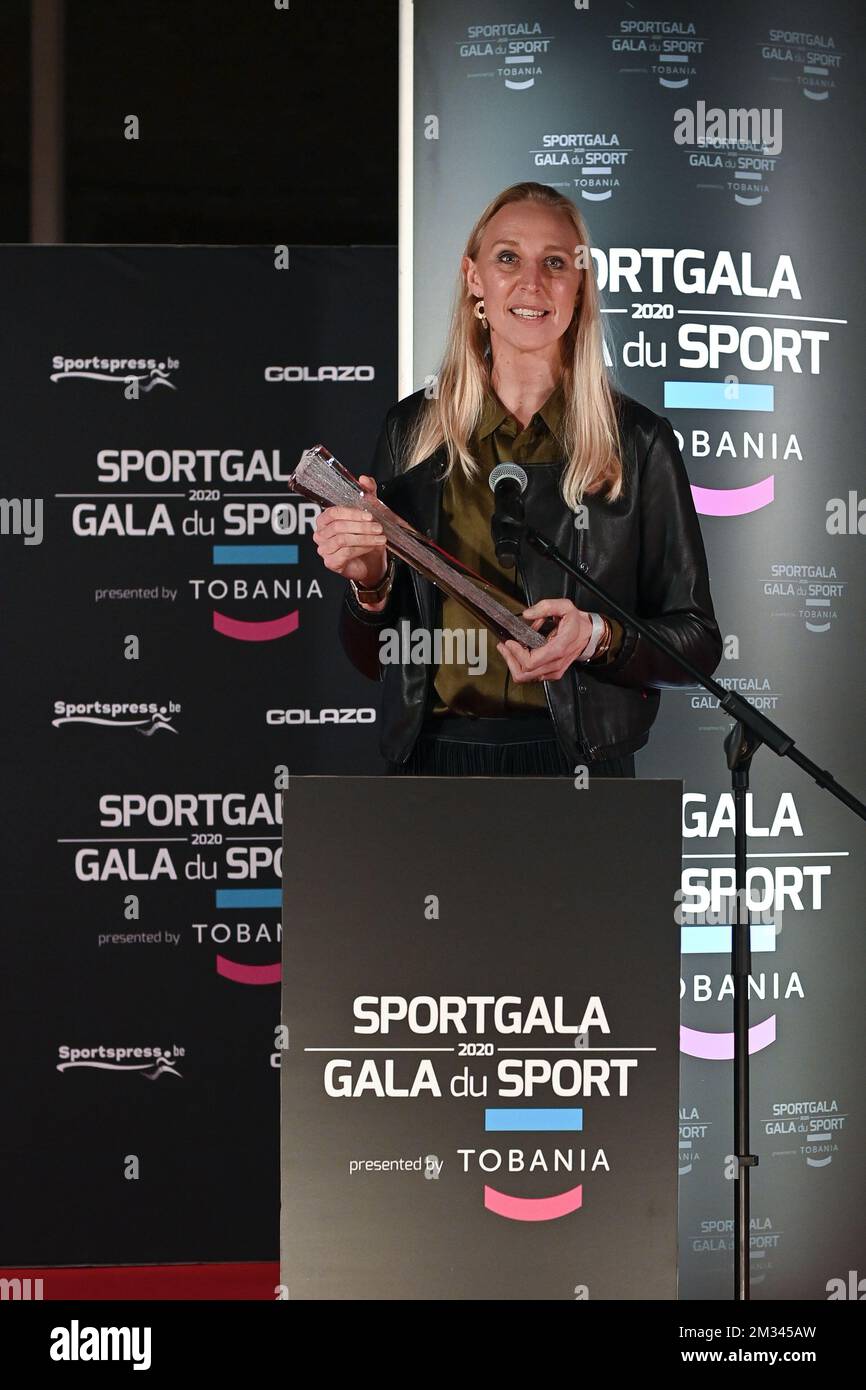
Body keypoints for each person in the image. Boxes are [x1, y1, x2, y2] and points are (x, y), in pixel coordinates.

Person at [314, 181, 723, 777]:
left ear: (580, 287)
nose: (532, 284)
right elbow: (375, 661)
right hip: (434, 766)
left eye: (555, 263)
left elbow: (697, 643)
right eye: (507, 258)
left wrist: (596, 637)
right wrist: (370, 584)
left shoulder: (638, 441)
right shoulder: (411, 430)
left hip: (582, 771)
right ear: (473, 278)